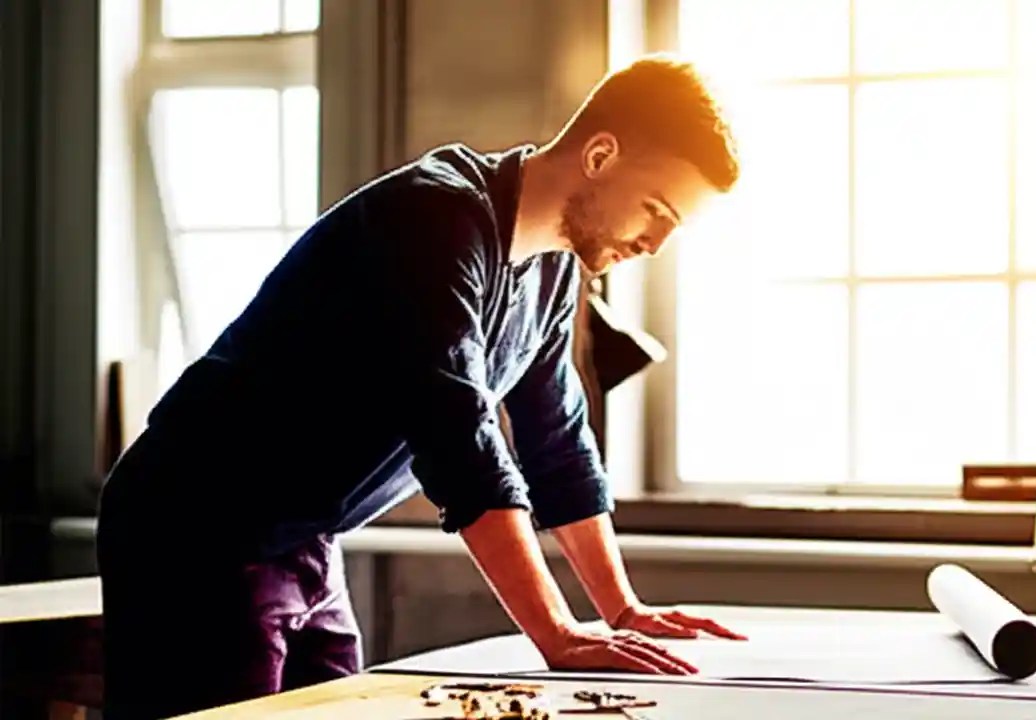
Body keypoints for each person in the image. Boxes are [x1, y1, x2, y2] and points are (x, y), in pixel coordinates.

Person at [95, 54, 745, 719]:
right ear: (601, 155)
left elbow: (559, 445)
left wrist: (621, 610)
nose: (658, 243)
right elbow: (460, 439)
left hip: (308, 537)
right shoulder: (435, 218)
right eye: (656, 210)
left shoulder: (555, 276)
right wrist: (555, 632)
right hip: (197, 520)